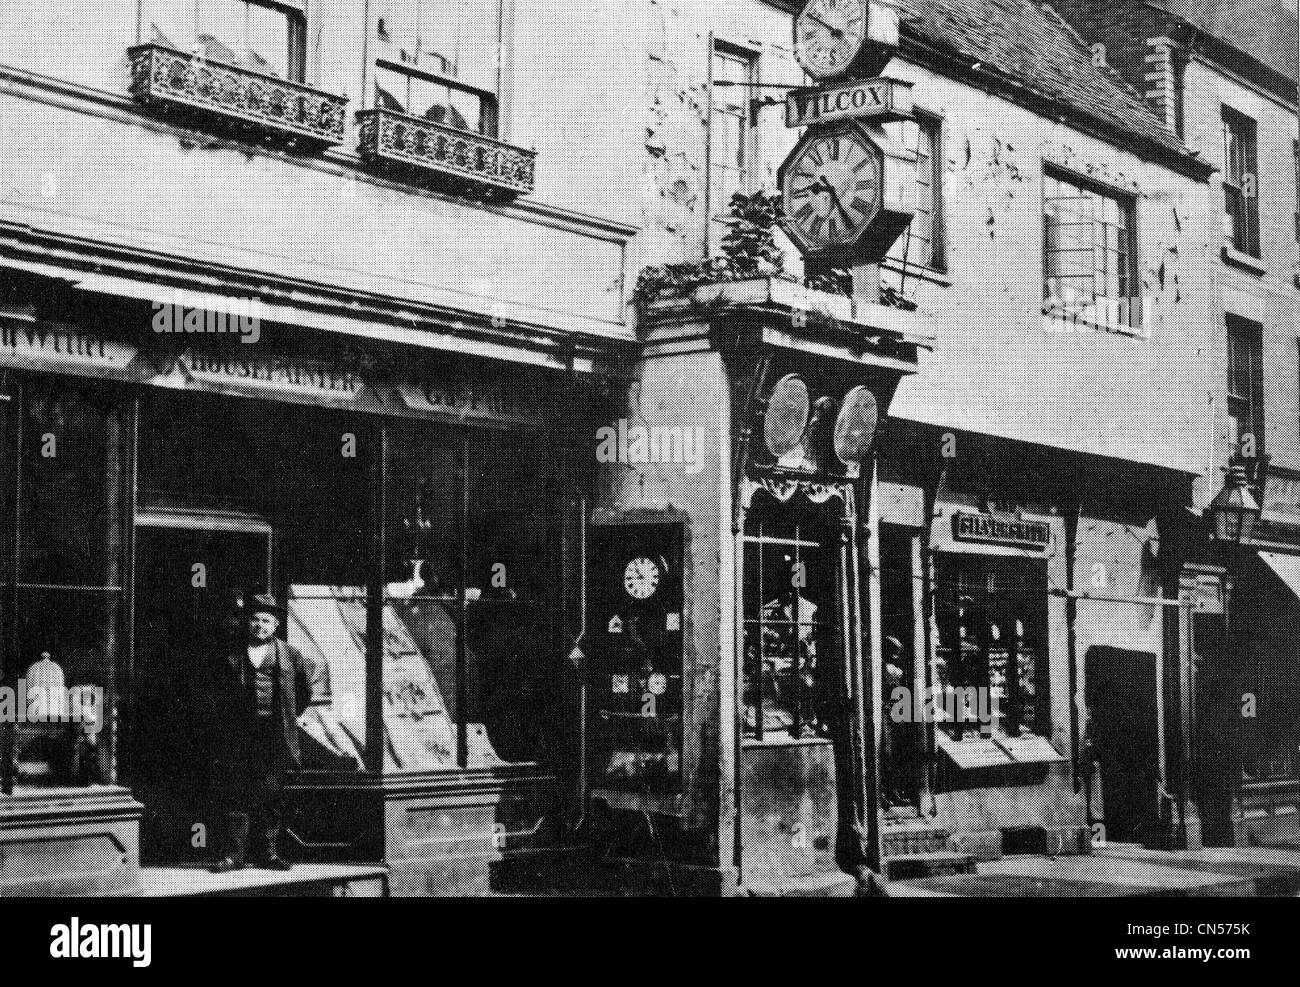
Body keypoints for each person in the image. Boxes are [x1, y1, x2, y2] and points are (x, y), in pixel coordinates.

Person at [208, 593, 329, 873]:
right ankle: (233, 855)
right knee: (236, 792)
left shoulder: (290, 654)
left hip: (274, 734)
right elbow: (214, 691)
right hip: (238, 734)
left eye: (266, 621)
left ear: (275, 625)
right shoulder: (231, 653)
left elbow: (304, 691)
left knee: (270, 794)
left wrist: (287, 717)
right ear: (247, 622)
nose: (259, 625)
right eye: (254, 619)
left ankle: (269, 854)